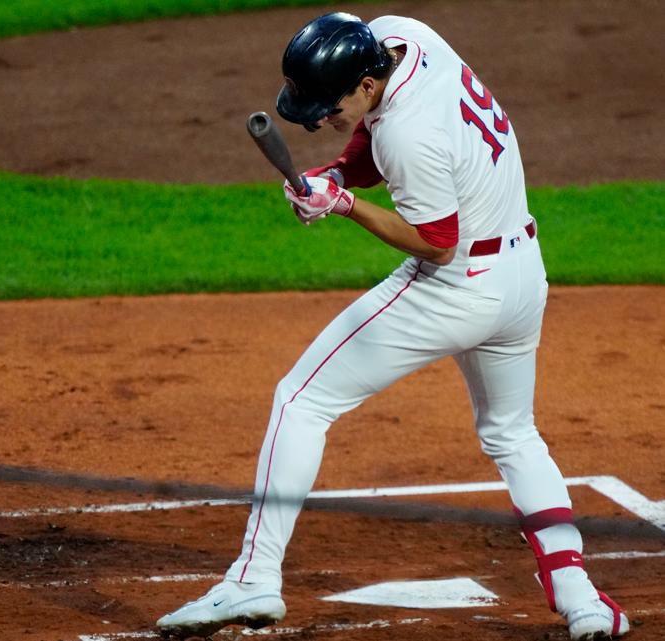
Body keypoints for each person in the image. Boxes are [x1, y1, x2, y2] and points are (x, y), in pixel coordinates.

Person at [156, 13, 628, 641]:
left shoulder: (409, 134)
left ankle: (253, 578)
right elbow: (371, 136)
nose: (320, 119)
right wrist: (336, 172)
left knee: (301, 401)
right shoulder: (405, 37)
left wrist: (344, 204)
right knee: (513, 433)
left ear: (367, 83)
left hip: (457, 286)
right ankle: (582, 600)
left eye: (330, 107)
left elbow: (436, 243)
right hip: (521, 278)